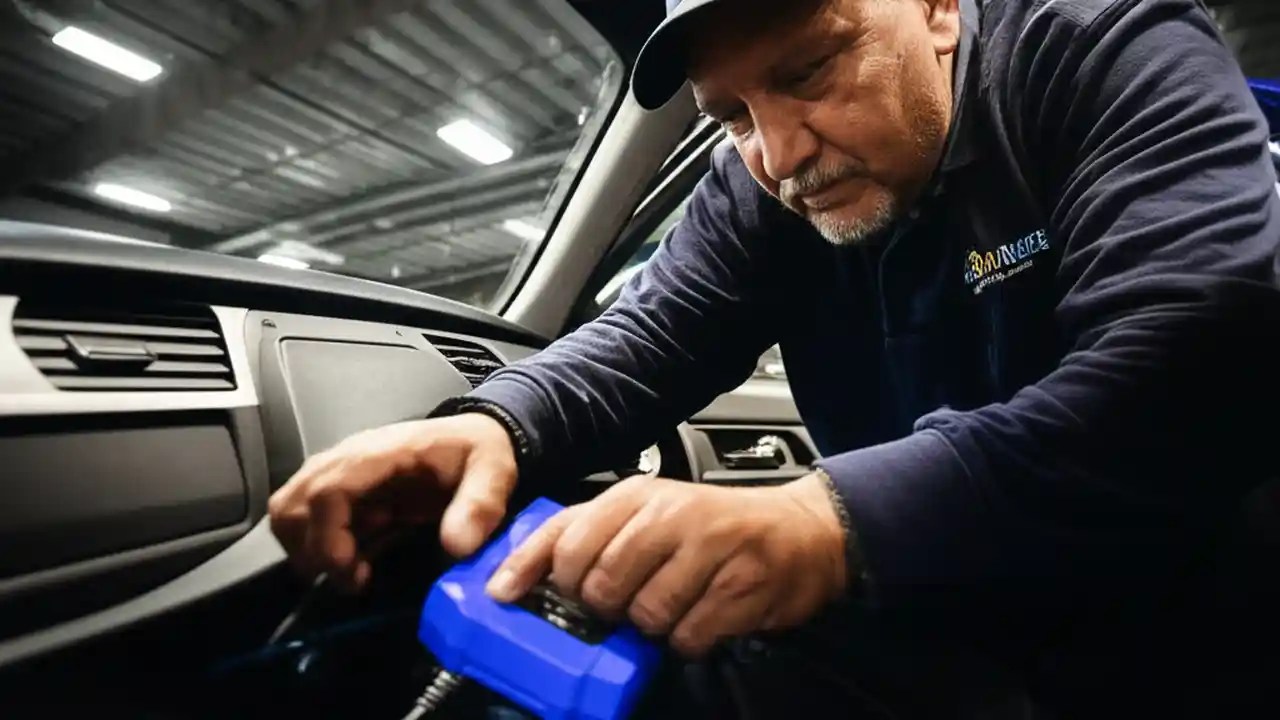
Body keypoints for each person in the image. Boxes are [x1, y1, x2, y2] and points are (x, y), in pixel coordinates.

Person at [268, 0, 1280, 715]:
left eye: (808, 71)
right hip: (941, 611)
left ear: (934, 7)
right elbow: (645, 334)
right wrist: (492, 425)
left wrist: (824, 518)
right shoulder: (756, 186)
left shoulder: (1097, 44)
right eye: (733, 114)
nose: (779, 154)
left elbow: (1195, 340)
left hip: (1182, 616)